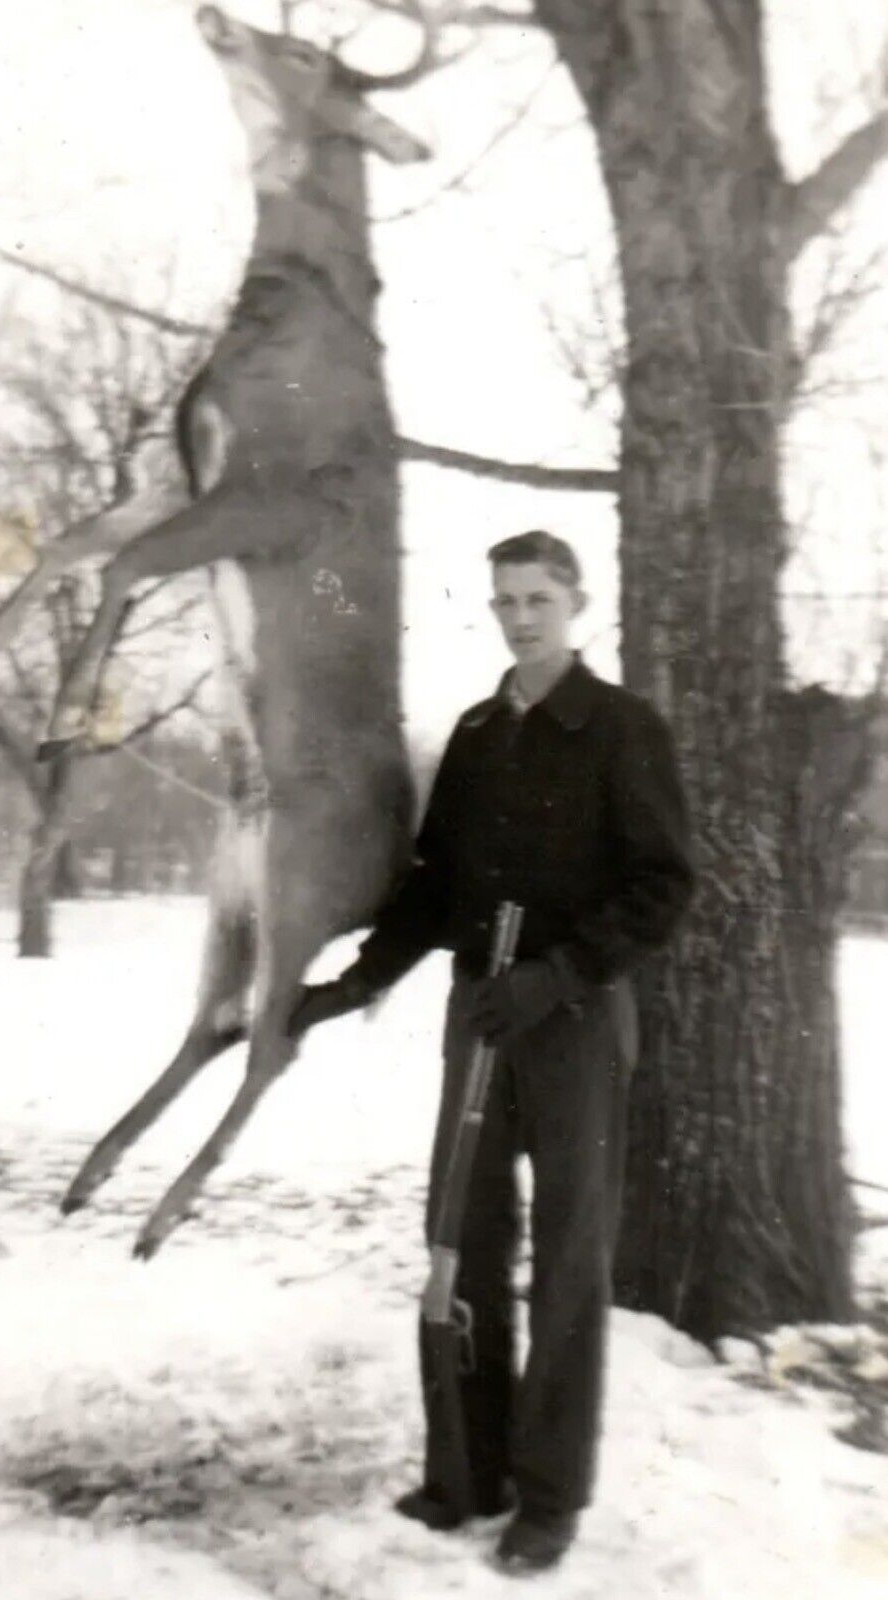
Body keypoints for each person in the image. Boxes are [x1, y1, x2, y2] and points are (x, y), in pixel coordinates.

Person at [288, 530, 695, 1575]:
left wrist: (556, 975)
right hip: (479, 1014)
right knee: (457, 1240)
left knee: (566, 1261)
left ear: (578, 602)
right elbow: (434, 883)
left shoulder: (619, 728)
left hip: (572, 1020)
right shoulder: (476, 731)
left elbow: (663, 885)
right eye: (506, 599)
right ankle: (466, 1471)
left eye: (539, 597)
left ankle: (549, 1499)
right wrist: (361, 981)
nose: (521, 616)